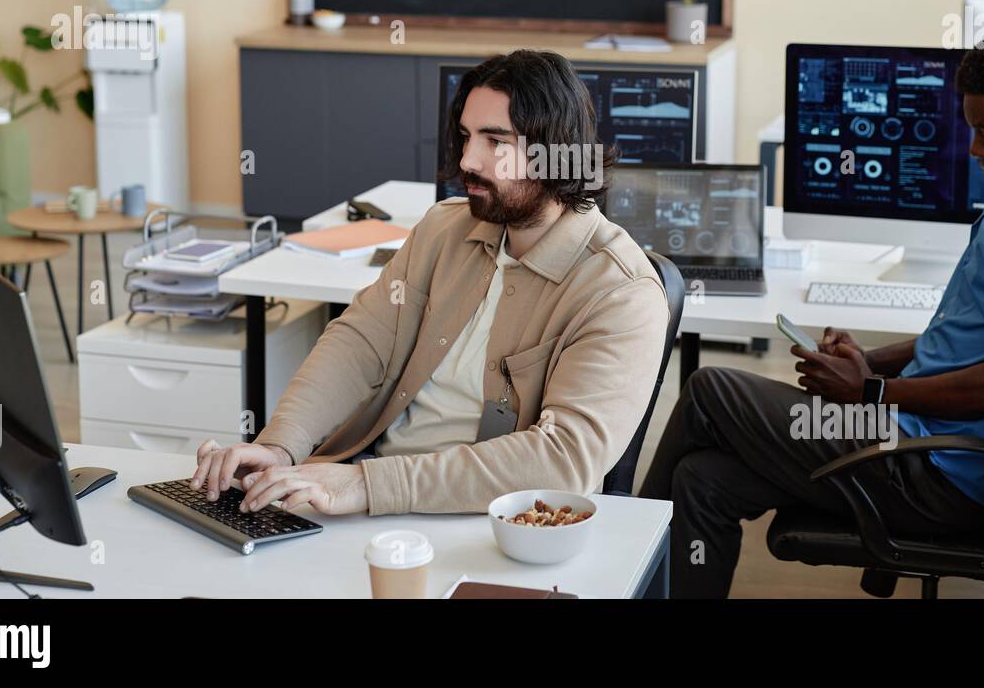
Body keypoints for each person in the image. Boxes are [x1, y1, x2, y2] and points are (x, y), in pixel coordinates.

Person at [640, 24, 984, 598]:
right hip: (911, 441)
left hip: (931, 471)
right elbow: (965, 336)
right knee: (701, 481)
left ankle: (618, 561)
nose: (976, 151)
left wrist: (870, 393)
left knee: (711, 389)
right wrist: (870, 362)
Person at [192, 49, 669, 517]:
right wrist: (281, 445)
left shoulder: (622, 293)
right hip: (363, 488)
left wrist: (368, 485)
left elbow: (563, 460)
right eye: (465, 136)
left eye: (495, 141)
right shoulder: (444, 228)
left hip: (482, 520)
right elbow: (360, 343)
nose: (467, 160)